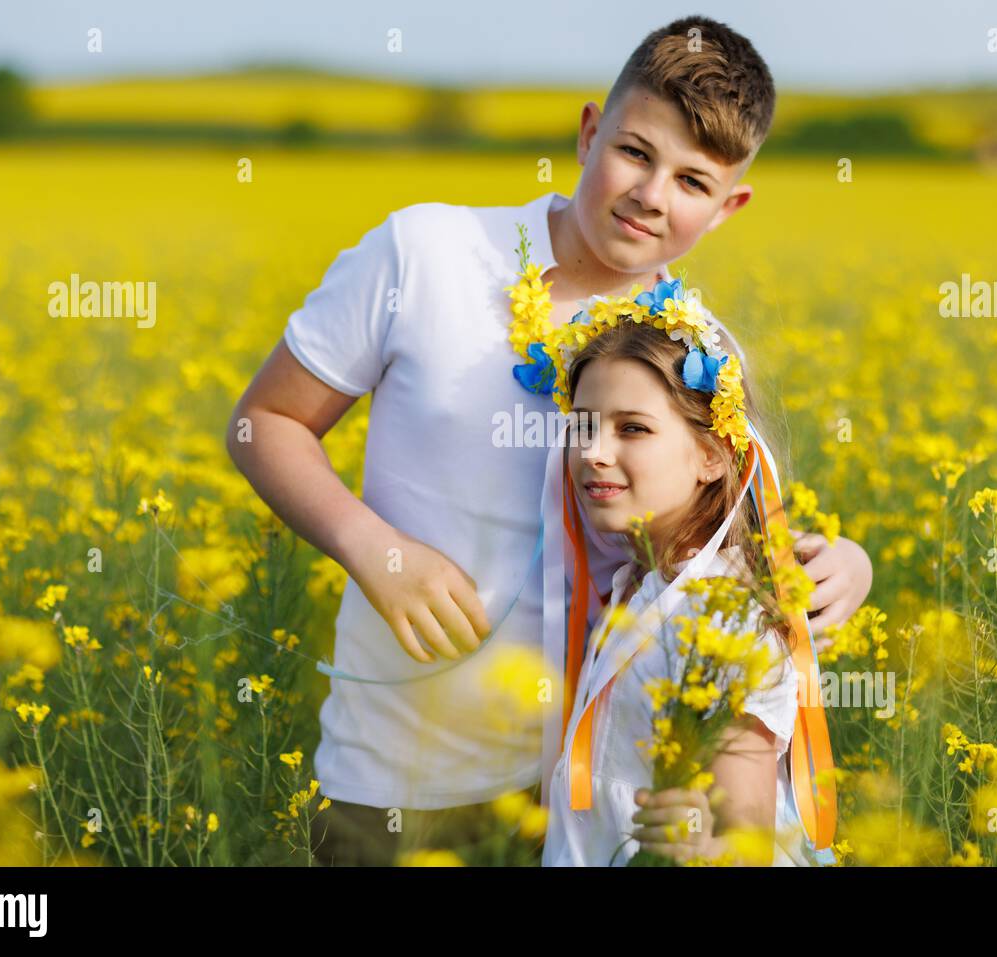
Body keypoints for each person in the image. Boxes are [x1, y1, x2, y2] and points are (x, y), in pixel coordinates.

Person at [226, 16, 870, 866]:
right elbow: (261, 422)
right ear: (588, 131)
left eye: (692, 180)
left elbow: (723, 553)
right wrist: (375, 550)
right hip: (398, 778)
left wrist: (843, 566)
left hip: (596, 805)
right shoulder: (427, 251)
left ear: (727, 207)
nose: (651, 194)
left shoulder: (701, 354)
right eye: (635, 152)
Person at [538, 287, 836, 866]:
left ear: (714, 455)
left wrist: (701, 844)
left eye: (633, 429)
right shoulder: (640, 584)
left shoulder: (724, 618)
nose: (593, 452)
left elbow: (745, 838)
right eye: (584, 425)